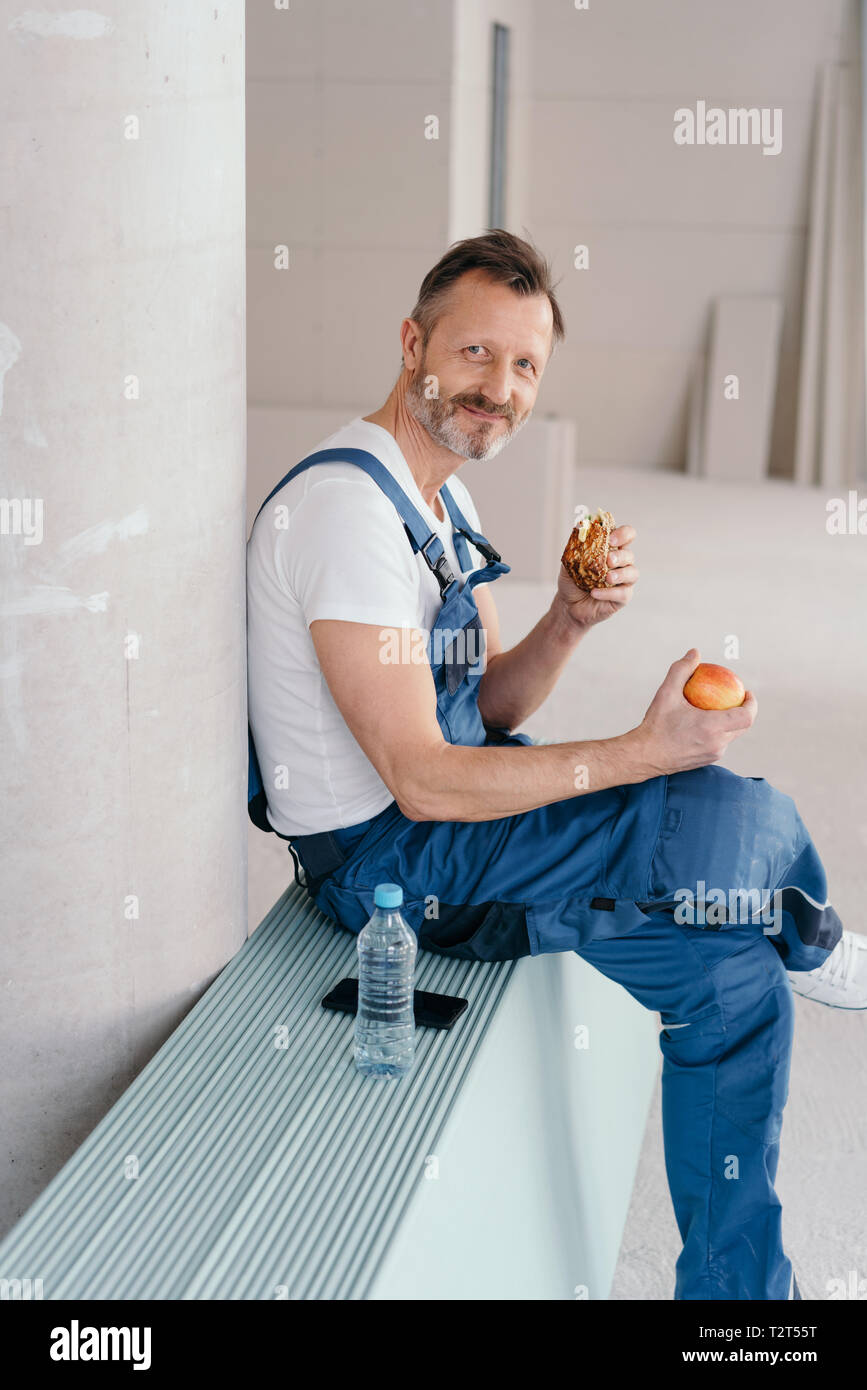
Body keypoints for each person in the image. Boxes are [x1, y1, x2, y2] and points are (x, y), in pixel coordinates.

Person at [246, 229, 865, 1301]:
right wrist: (632, 754)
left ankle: (742, 1313)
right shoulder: (351, 517)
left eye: (525, 365)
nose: (501, 388)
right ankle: (814, 929)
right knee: (709, 810)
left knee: (732, 983)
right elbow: (425, 777)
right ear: (414, 344)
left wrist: (569, 623)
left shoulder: (441, 499)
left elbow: (486, 705)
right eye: (478, 354)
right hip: (394, 865)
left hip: (451, 817)